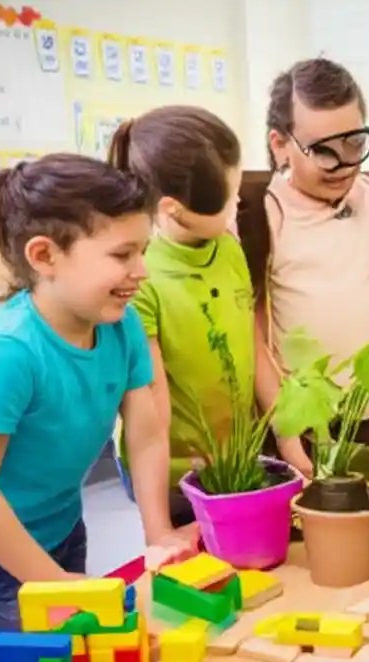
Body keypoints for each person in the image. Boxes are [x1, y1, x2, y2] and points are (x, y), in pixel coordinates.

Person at [0, 154, 171, 662]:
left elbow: (146, 434)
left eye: (143, 250)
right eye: (122, 254)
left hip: (58, 524)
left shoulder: (121, 323)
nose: (141, 270)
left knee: (84, 659)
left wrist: (158, 531)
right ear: (45, 255)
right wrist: (52, 584)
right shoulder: (2, 354)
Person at [256, 58, 369, 540]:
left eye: (354, 143)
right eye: (323, 151)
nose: (343, 162)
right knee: (316, 552)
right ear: (280, 145)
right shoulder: (264, 215)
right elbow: (255, 332)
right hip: (305, 423)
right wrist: (287, 435)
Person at [107, 105, 260, 535]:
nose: (238, 203)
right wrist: (159, 533)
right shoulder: (143, 279)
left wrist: (286, 438)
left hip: (232, 457)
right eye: (229, 198)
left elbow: (250, 338)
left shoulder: (228, 248)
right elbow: (150, 416)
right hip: (174, 473)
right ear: (174, 209)